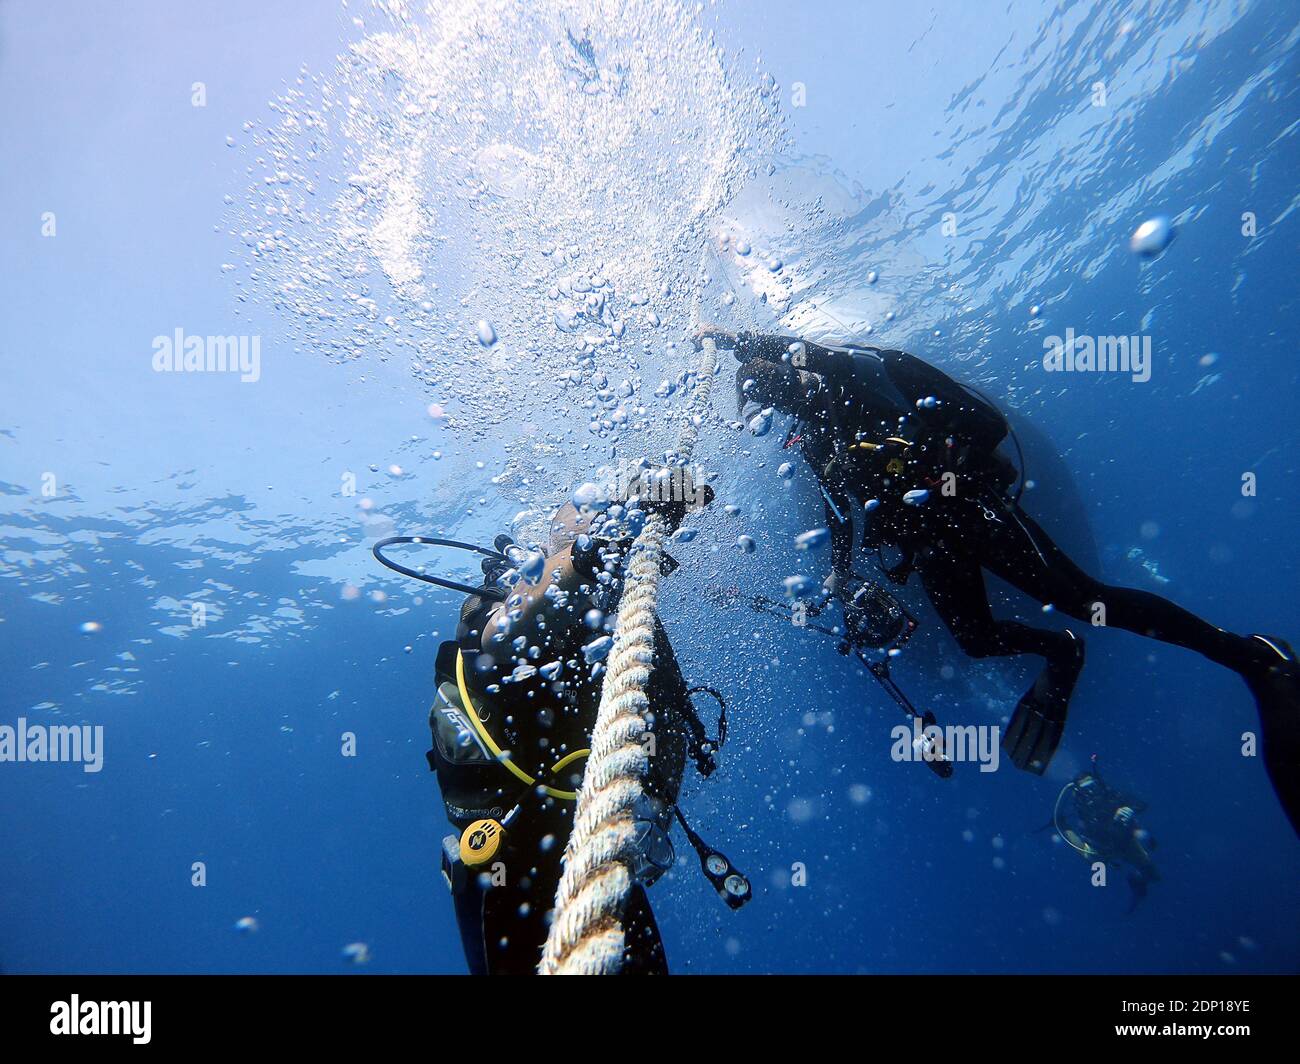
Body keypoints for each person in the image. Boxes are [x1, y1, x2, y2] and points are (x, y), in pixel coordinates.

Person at [700, 326, 1299, 833]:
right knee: (975, 638)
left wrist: (940, 468)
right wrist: (838, 572)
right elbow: (838, 508)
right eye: (786, 407)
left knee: (1082, 596)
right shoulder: (816, 432)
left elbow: (985, 423)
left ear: (802, 368)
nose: (798, 410)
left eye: (794, 393)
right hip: (929, 541)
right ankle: (1060, 651)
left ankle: (1251, 657)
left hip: (971, 508)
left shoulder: (876, 371)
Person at [401, 477, 744, 974]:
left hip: (599, 856)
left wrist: (651, 815)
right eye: (580, 519)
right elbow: (501, 634)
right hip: (506, 861)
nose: (596, 519)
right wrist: (586, 556)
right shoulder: (507, 594)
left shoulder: (625, 618)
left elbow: (665, 723)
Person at [1052, 755, 1159, 911]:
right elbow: (1093, 831)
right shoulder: (1083, 808)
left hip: (1125, 844)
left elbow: (1140, 803)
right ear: (1078, 793)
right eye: (1085, 789)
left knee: (1153, 874)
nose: (1091, 793)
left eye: (1092, 787)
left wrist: (1131, 809)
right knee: (1097, 875)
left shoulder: (1110, 796)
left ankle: (1136, 882)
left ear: (1098, 784)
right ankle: (1064, 827)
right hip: (1099, 850)